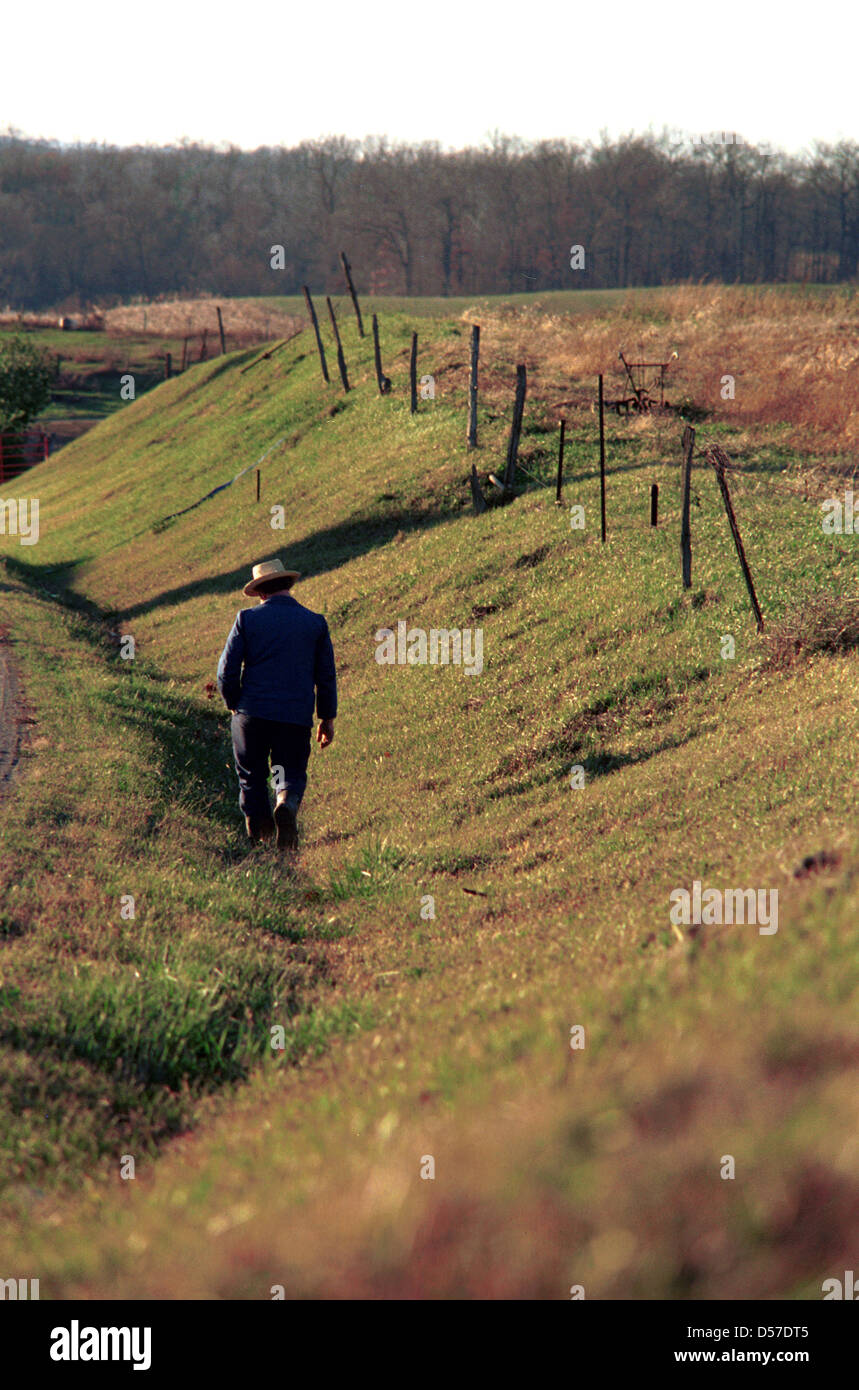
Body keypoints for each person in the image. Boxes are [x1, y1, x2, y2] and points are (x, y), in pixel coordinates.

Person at [216, 558, 337, 851]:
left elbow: (226, 672)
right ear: (288, 585)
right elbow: (326, 676)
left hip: (252, 714)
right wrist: (327, 718)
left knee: (252, 774)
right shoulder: (315, 623)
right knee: (289, 769)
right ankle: (285, 800)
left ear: (260, 593)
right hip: (294, 716)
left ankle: (260, 835)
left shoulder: (246, 620)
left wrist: (234, 703)